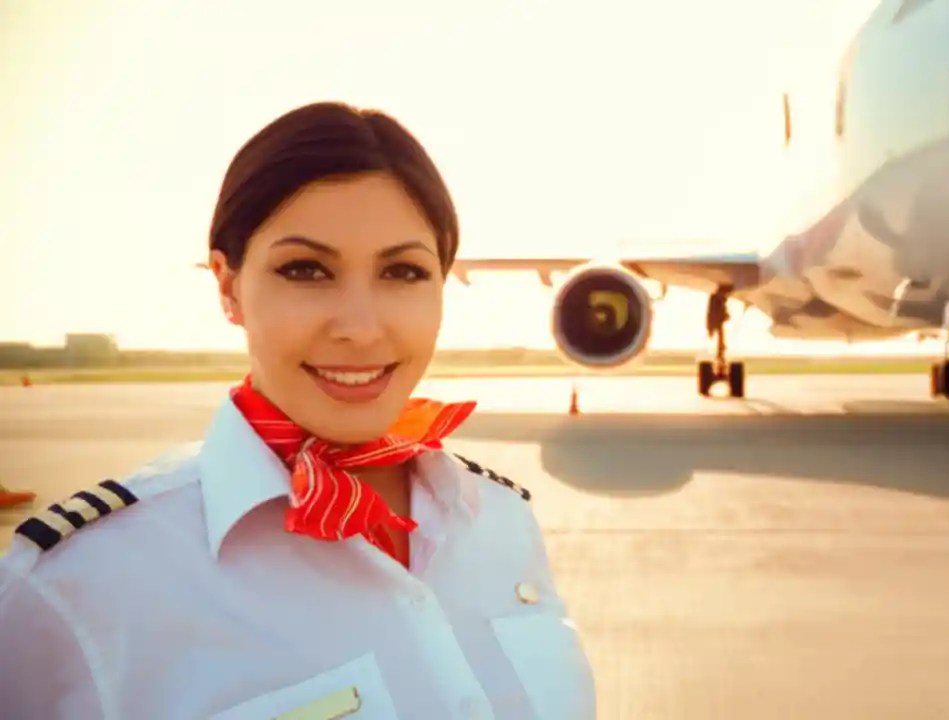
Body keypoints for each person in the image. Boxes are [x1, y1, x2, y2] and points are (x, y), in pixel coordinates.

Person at [0, 101, 596, 719]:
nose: (362, 329)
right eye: (305, 270)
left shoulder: (501, 523)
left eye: (403, 271)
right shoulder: (75, 591)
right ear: (228, 287)